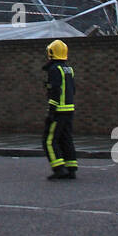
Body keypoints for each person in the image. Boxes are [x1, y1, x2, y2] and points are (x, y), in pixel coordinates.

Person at [43, 39, 77, 180]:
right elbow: (72, 89)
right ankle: (71, 168)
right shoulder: (69, 69)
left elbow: (55, 90)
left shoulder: (54, 70)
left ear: (51, 53)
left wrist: (51, 111)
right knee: (66, 138)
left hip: (59, 111)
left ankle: (58, 168)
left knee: (49, 140)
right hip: (69, 109)